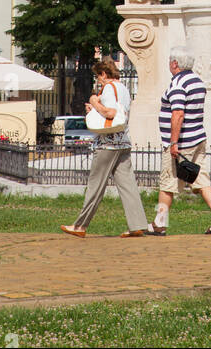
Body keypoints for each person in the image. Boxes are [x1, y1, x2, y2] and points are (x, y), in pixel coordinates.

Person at [60, 57, 148, 239]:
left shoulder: (108, 88)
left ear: (103, 74)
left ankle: (80, 225)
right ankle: (137, 225)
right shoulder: (123, 88)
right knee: (128, 185)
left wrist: (94, 103)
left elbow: (110, 113)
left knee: (95, 185)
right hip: (123, 142)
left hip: (108, 144)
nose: (97, 80)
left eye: (98, 77)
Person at [149, 45, 211, 236]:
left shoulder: (178, 84)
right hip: (198, 138)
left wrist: (173, 142)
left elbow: (177, 113)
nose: (169, 63)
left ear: (175, 63)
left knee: (168, 183)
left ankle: (159, 224)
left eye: (170, 60)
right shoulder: (197, 82)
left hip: (182, 143)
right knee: (202, 179)